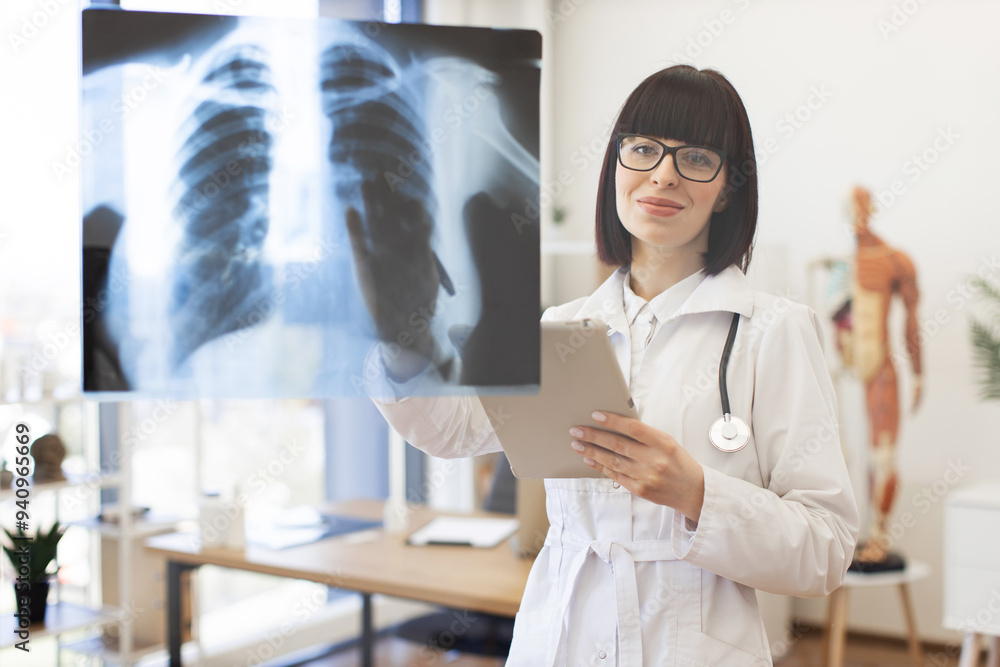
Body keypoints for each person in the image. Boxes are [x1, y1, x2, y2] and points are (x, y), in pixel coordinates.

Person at [347, 65, 859, 666]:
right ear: (616, 165)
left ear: (728, 187)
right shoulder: (559, 329)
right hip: (559, 638)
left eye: (696, 158)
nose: (662, 174)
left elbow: (825, 549)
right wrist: (401, 336)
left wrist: (697, 494)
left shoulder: (771, 330)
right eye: (642, 149)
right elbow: (452, 431)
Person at [834, 185, 921, 568]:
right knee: (844, 453)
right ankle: (854, 534)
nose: (858, 214)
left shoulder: (894, 260)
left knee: (882, 455)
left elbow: (912, 321)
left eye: (862, 206)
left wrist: (919, 374)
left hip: (881, 369)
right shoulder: (842, 266)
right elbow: (840, 322)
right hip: (847, 369)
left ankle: (880, 535)